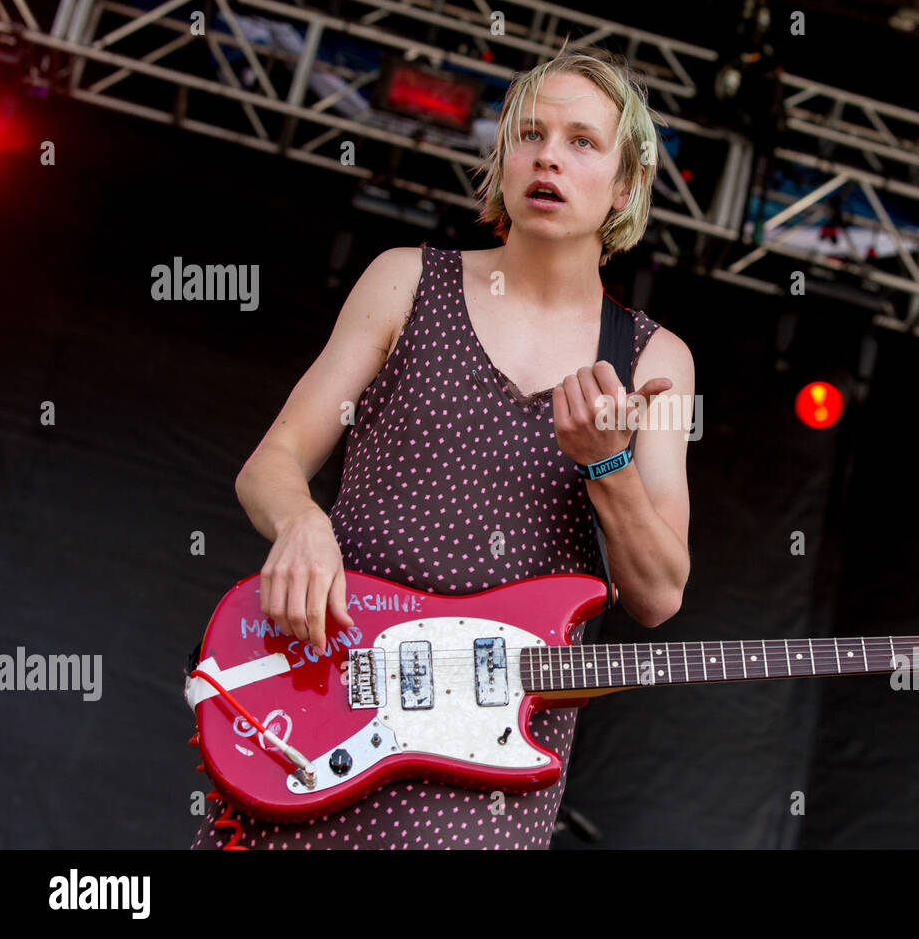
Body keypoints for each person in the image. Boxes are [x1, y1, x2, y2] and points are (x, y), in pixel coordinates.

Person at [191, 42, 694, 850]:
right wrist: (302, 524)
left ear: (627, 184)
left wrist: (607, 464)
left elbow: (660, 592)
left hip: (483, 771)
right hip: (325, 695)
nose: (547, 157)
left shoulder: (656, 361)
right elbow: (270, 467)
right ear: (501, 159)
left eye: (581, 142)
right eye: (528, 135)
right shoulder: (404, 281)